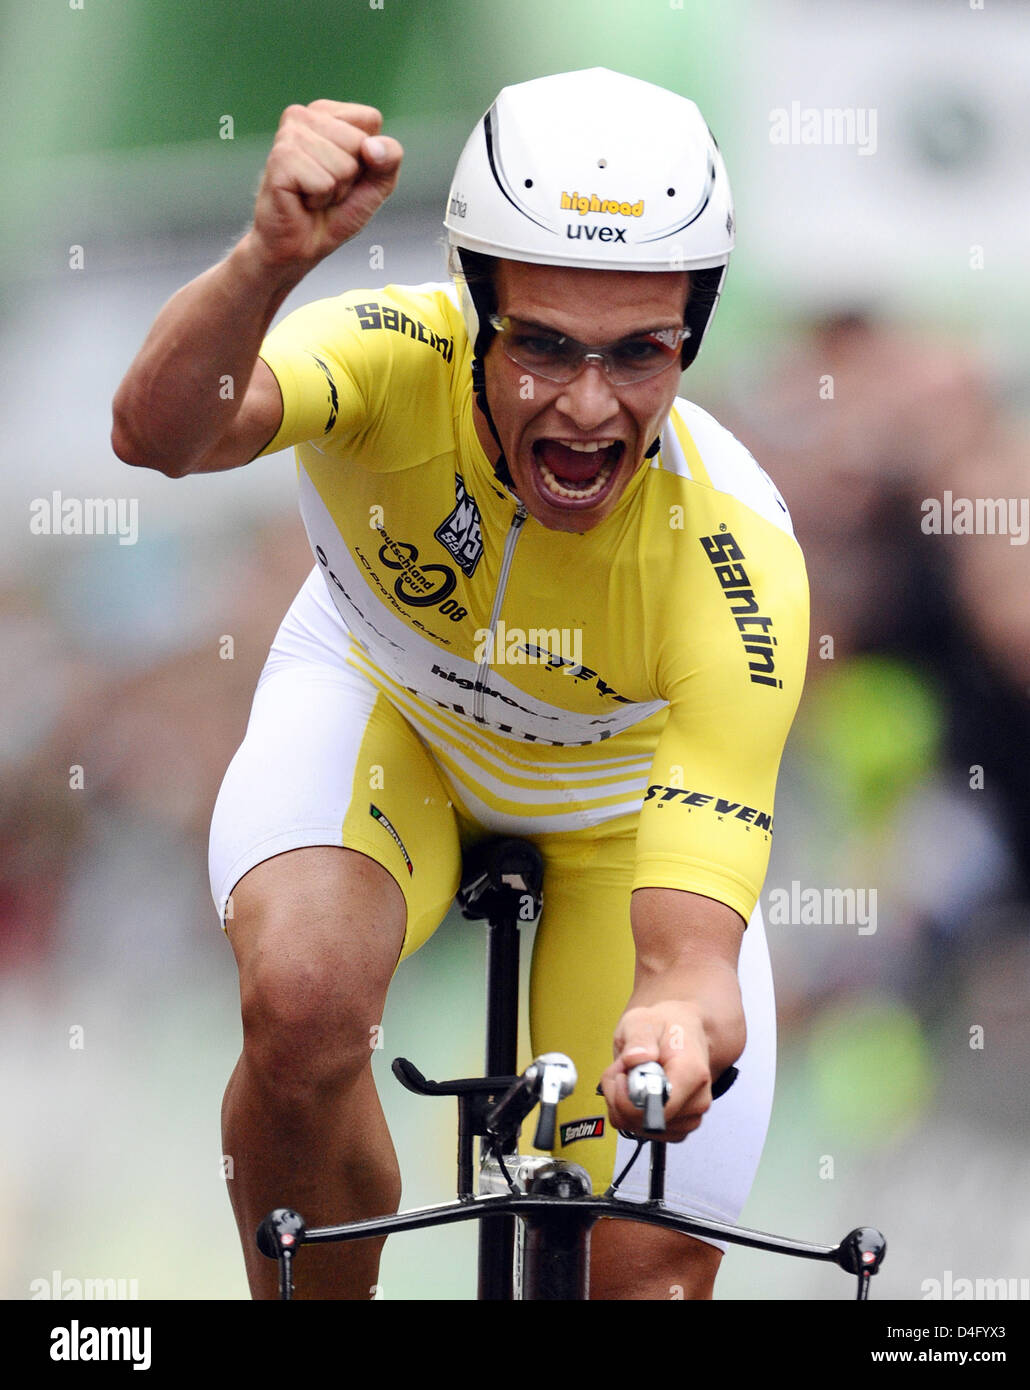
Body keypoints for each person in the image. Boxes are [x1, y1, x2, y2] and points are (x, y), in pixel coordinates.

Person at [112, 67, 809, 1300]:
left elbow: (693, 962)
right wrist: (265, 262)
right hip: (390, 710)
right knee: (304, 997)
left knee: (644, 1277)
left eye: (639, 355)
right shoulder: (389, 356)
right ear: (472, 305)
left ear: (692, 337)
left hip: (613, 813)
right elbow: (160, 435)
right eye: (541, 345)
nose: (588, 409)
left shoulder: (737, 561)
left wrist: (677, 1034)